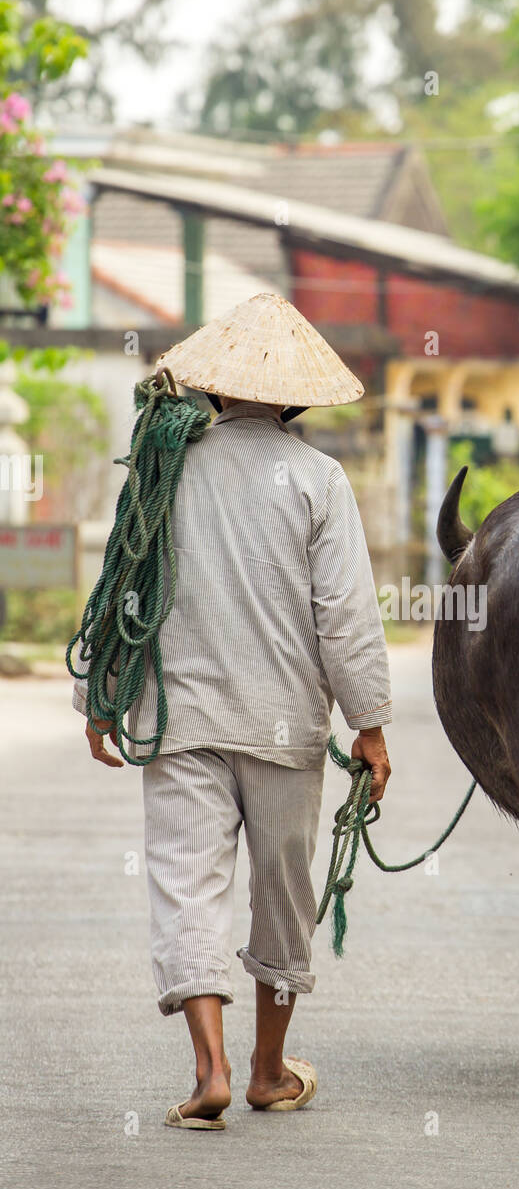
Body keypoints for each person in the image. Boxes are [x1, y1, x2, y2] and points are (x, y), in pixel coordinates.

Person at [73, 293, 392, 1130]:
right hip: (284, 726)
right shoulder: (320, 480)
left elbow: (122, 583)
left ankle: (208, 1070)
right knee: (281, 898)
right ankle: (265, 1069)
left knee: (187, 885)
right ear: (295, 400)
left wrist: (97, 697)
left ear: (212, 390)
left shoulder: (164, 469)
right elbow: (347, 618)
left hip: (178, 722)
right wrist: (369, 724)